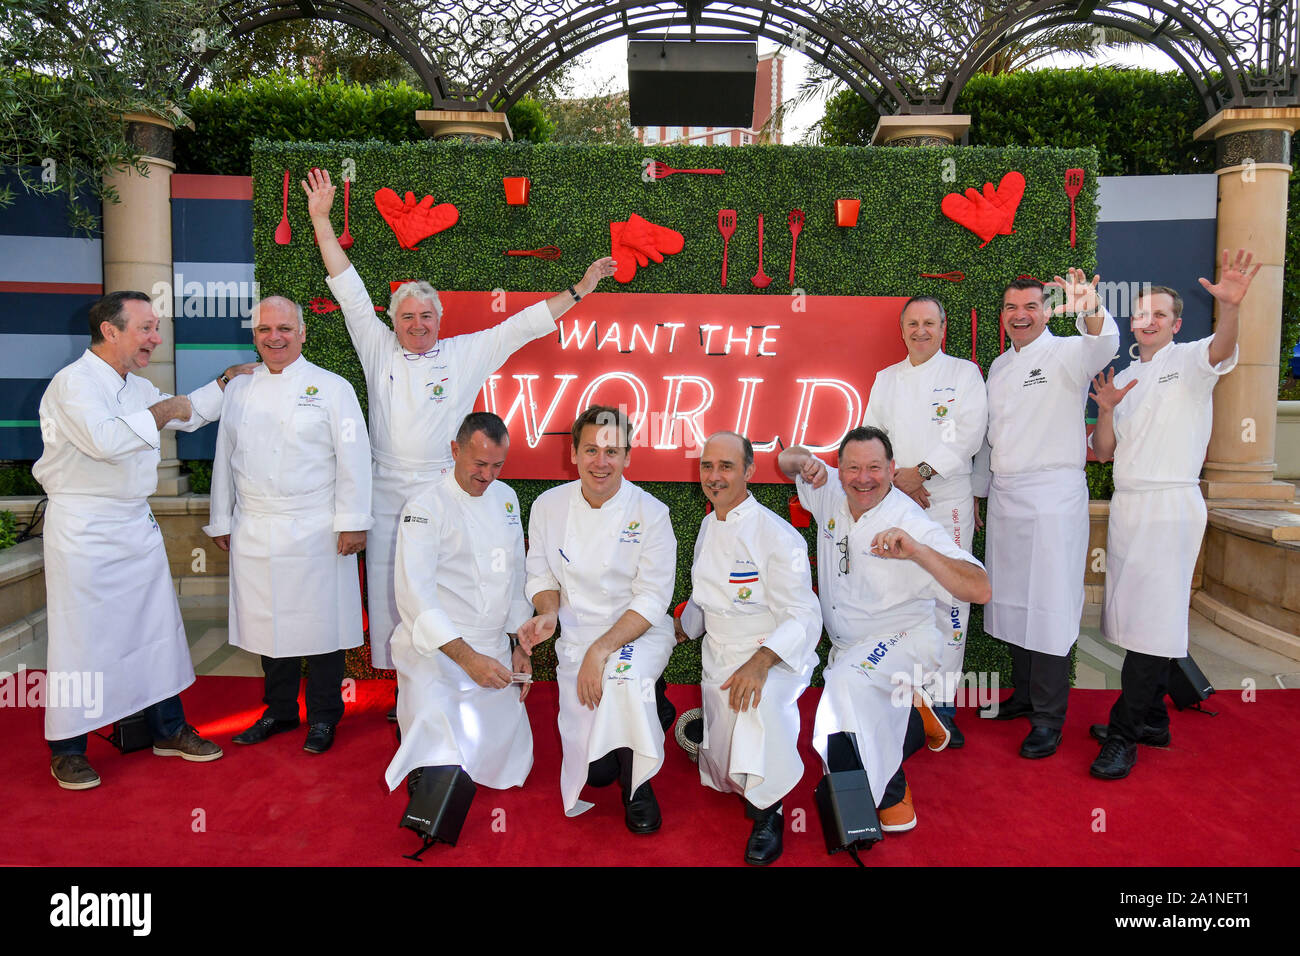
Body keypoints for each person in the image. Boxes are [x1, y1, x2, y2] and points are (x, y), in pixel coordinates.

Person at [302, 169, 617, 699]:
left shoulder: (464, 353)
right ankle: (409, 683)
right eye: (407, 316)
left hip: (449, 491)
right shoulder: (377, 346)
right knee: (394, 593)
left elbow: (522, 325)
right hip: (387, 494)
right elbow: (349, 290)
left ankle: (459, 672)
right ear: (392, 319)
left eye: (426, 315)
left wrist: (580, 289)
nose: (417, 324)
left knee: (456, 586)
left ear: (440, 319)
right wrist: (320, 221)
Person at [34, 290, 255, 790]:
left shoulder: (133, 385)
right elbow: (107, 440)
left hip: (134, 525)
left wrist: (226, 382)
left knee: (156, 630)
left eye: (156, 328)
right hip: (84, 530)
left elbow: (188, 412)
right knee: (81, 641)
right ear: (110, 331)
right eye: (146, 328)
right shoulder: (73, 384)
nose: (156, 338)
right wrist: (164, 410)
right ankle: (68, 748)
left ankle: (168, 728)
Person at [1087, 249, 1257, 779]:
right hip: (1129, 506)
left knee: (1153, 625)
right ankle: (1154, 721)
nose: (1148, 320)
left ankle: (1123, 735)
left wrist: (1229, 308)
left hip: (1171, 506)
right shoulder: (1126, 376)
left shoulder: (1190, 361)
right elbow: (1104, 451)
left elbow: (1223, 348)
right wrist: (1109, 410)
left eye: (1159, 314)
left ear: (1176, 323)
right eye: (1141, 313)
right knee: (1133, 618)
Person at [779, 428, 990, 832]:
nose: (863, 478)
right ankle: (912, 715)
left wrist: (918, 551)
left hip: (905, 639)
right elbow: (786, 459)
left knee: (843, 694)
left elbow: (980, 588)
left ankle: (876, 802)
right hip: (848, 646)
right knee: (849, 699)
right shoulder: (831, 493)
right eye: (853, 467)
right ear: (839, 469)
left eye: (875, 467)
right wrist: (804, 463)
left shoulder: (911, 522)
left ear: (892, 470)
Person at [204, 296, 372, 755]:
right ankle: (278, 710)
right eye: (264, 330)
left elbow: (353, 458)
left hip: (317, 526)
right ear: (254, 335)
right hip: (256, 525)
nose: (274, 337)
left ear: (302, 333)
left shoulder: (333, 387)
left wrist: (353, 522)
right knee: (268, 624)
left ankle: (323, 717)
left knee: (321, 627)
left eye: (283, 328)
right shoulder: (238, 388)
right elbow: (225, 457)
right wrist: (222, 516)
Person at [517, 405, 676, 832]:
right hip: (577, 631)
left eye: (612, 451)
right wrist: (548, 612)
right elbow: (541, 574)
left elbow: (654, 597)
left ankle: (638, 788)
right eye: (590, 450)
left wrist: (602, 650)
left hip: (637, 629)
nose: (600, 462)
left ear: (628, 456)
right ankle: (650, 711)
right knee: (597, 771)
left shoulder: (652, 512)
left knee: (623, 681)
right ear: (573, 453)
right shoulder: (549, 506)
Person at [981, 269, 1119, 758]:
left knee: (1050, 603)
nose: (1021, 316)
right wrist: (981, 494)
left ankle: (1049, 718)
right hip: (1006, 496)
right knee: (1014, 598)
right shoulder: (997, 367)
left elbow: (1104, 345)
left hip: (1053, 496)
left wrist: (1089, 306)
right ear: (1003, 315)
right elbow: (990, 436)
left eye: (1031, 307)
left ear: (1045, 311)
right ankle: (1023, 695)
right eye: (1012, 308)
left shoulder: (1068, 352)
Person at [676, 431, 821, 865]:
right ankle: (709, 743)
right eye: (707, 466)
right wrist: (674, 633)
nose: (714, 476)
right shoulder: (706, 525)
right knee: (723, 769)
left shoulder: (777, 536)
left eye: (726, 466)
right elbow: (704, 600)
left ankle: (769, 813)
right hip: (718, 654)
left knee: (757, 708)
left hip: (770, 654)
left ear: (750, 471)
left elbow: (805, 615)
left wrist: (761, 663)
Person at [384, 412, 535, 796]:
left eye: (497, 466)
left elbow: (516, 573)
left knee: (509, 761)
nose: (488, 476)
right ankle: (426, 760)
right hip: (437, 648)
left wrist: (520, 645)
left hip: (492, 645)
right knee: (437, 738)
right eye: (479, 464)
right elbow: (416, 597)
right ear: (455, 450)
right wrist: (468, 660)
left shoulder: (507, 499)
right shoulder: (424, 507)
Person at [862, 295, 988, 746]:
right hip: (896, 502)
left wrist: (924, 473)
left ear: (943, 327)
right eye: (913, 323)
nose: (921, 331)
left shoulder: (964, 374)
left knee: (949, 601)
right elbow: (870, 439)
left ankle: (942, 707)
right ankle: (902, 702)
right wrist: (901, 481)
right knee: (900, 600)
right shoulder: (885, 380)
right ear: (902, 330)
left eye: (929, 323)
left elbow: (969, 433)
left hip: (945, 502)